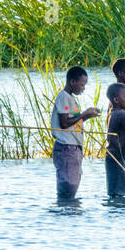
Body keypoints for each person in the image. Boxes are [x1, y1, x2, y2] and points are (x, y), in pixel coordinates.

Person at [51, 66, 100, 202]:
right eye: (82, 84)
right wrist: (84, 113)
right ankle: (66, 215)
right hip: (67, 148)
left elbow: (73, 122)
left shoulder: (70, 98)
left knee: (72, 186)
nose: (83, 88)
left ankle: (69, 215)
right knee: (68, 187)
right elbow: (64, 123)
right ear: (72, 82)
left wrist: (88, 115)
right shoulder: (64, 97)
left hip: (73, 147)